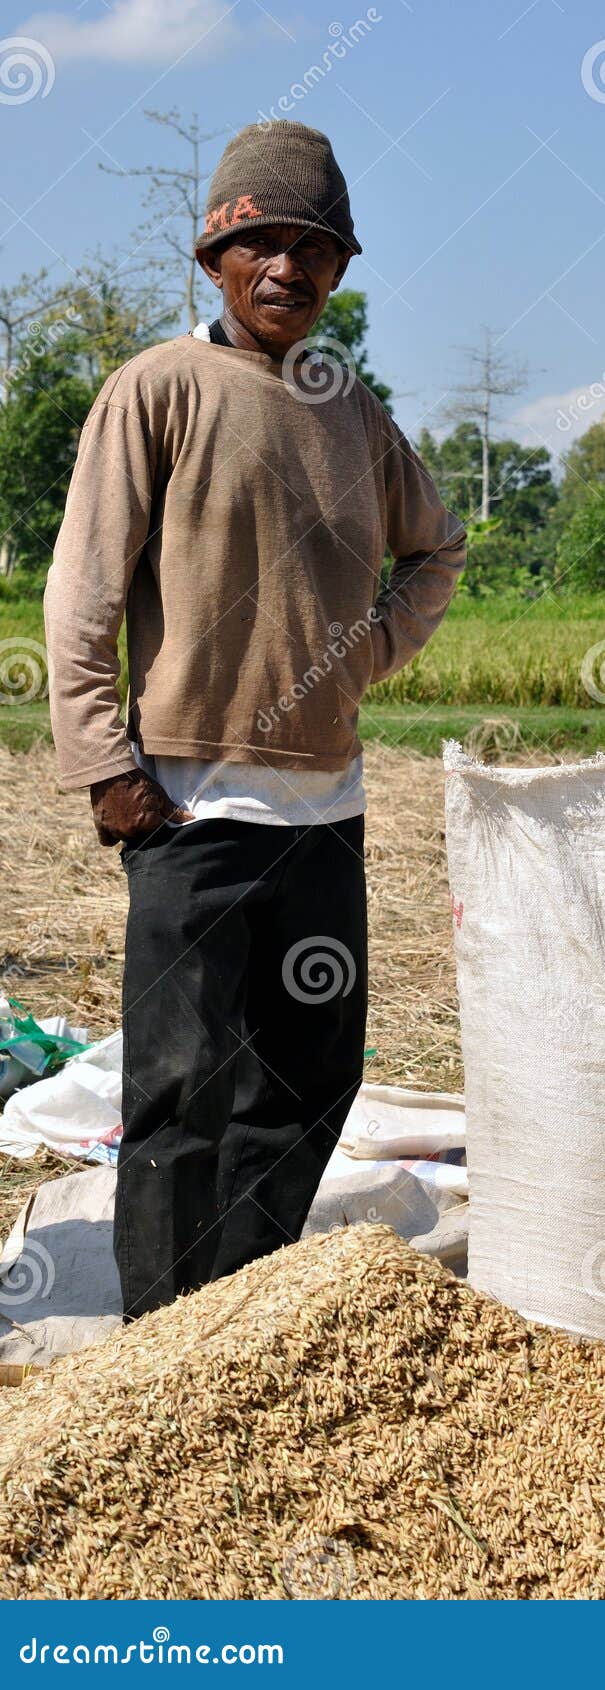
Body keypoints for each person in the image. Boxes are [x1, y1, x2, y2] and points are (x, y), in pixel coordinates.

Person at [44, 121, 466, 1319]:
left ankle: (246, 1318)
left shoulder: (349, 409)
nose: (287, 267)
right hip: (187, 804)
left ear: (340, 270)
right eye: (262, 242)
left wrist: (366, 655)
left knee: (309, 1072)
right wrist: (103, 760)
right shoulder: (158, 389)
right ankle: (160, 1343)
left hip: (323, 809)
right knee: (182, 1082)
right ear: (216, 256)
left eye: (314, 248)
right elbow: (80, 586)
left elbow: (435, 548)